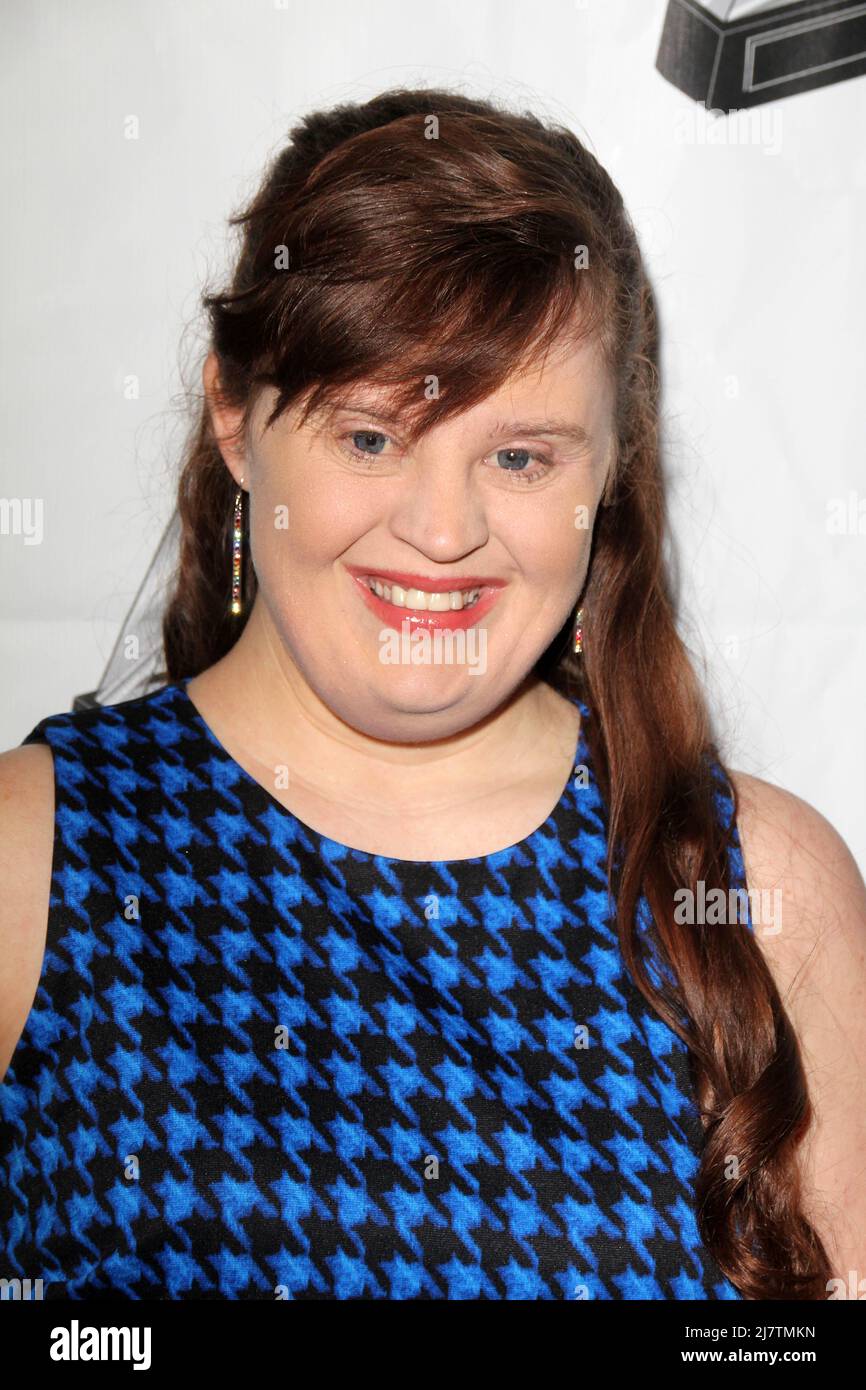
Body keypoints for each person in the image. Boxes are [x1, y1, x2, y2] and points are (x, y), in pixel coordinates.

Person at [1, 87, 864, 1302]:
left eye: (517, 456)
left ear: (611, 468)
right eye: (369, 438)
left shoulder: (763, 889)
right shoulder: (33, 861)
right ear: (237, 422)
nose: (441, 530)